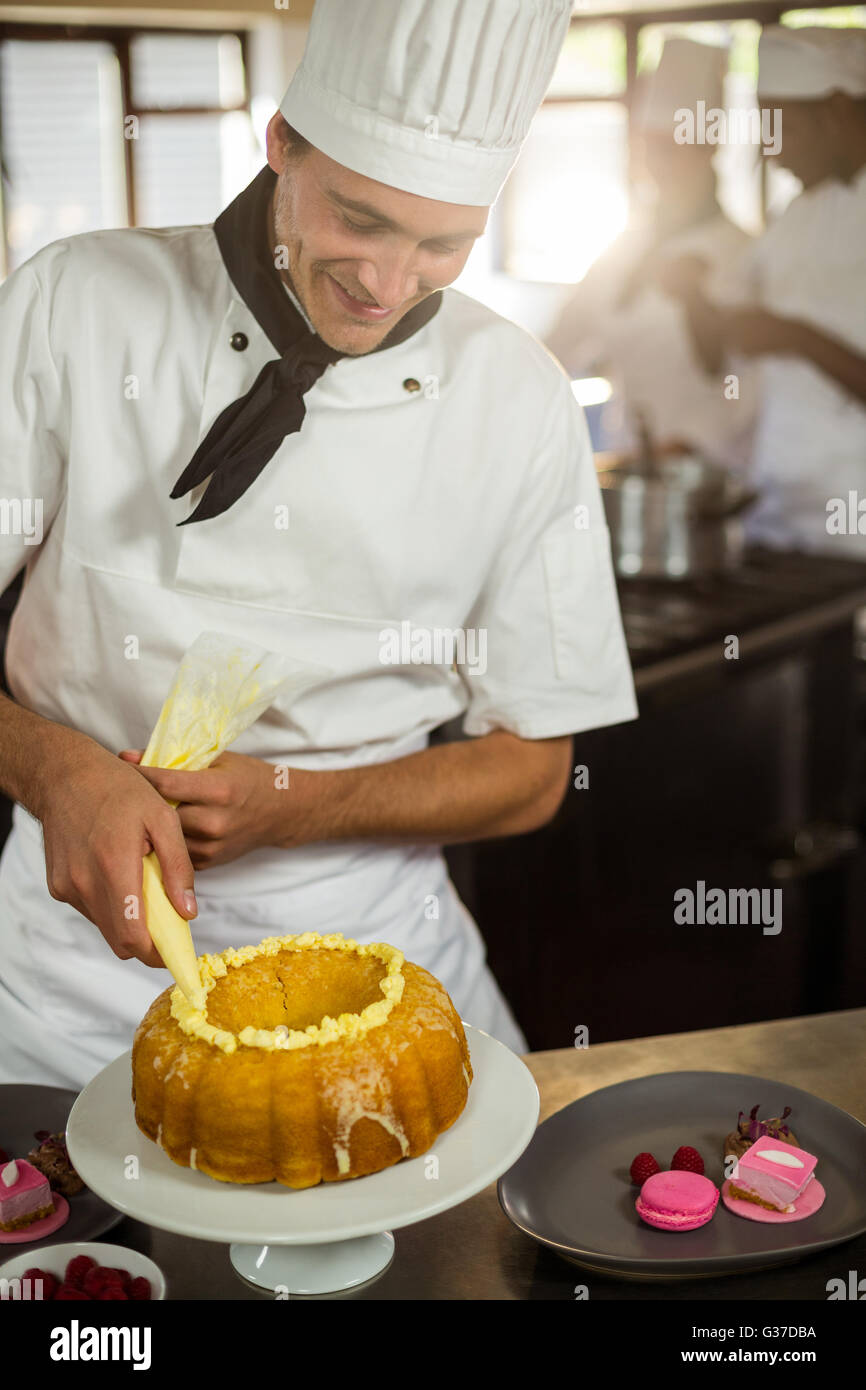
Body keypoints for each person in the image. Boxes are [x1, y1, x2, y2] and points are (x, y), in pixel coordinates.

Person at [0, 0, 637, 1088]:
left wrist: (298, 805)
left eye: (444, 243)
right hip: (76, 996)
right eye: (360, 219)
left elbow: (533, 770)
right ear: (280, 142)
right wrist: (56, 769)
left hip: (380, 969)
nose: (387, 286)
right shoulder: (73, 305)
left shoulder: (515, 397)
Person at [668, 26, 866, 555]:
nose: (770, 154)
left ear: (840, 110)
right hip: (779, 519)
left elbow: (784, 338)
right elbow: (721, 353)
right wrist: (691, 297)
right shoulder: (796, 216)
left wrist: (797, 338)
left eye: (784, 129)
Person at [545, 37, 757, 468]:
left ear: (708, 150)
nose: (663, 163)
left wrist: (671, 454)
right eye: (653, 146)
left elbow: (747, 391)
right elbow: (557, 346)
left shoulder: (743, 255)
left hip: (710, 480)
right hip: (628, 463)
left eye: (677, 148)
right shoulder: (624, 248)